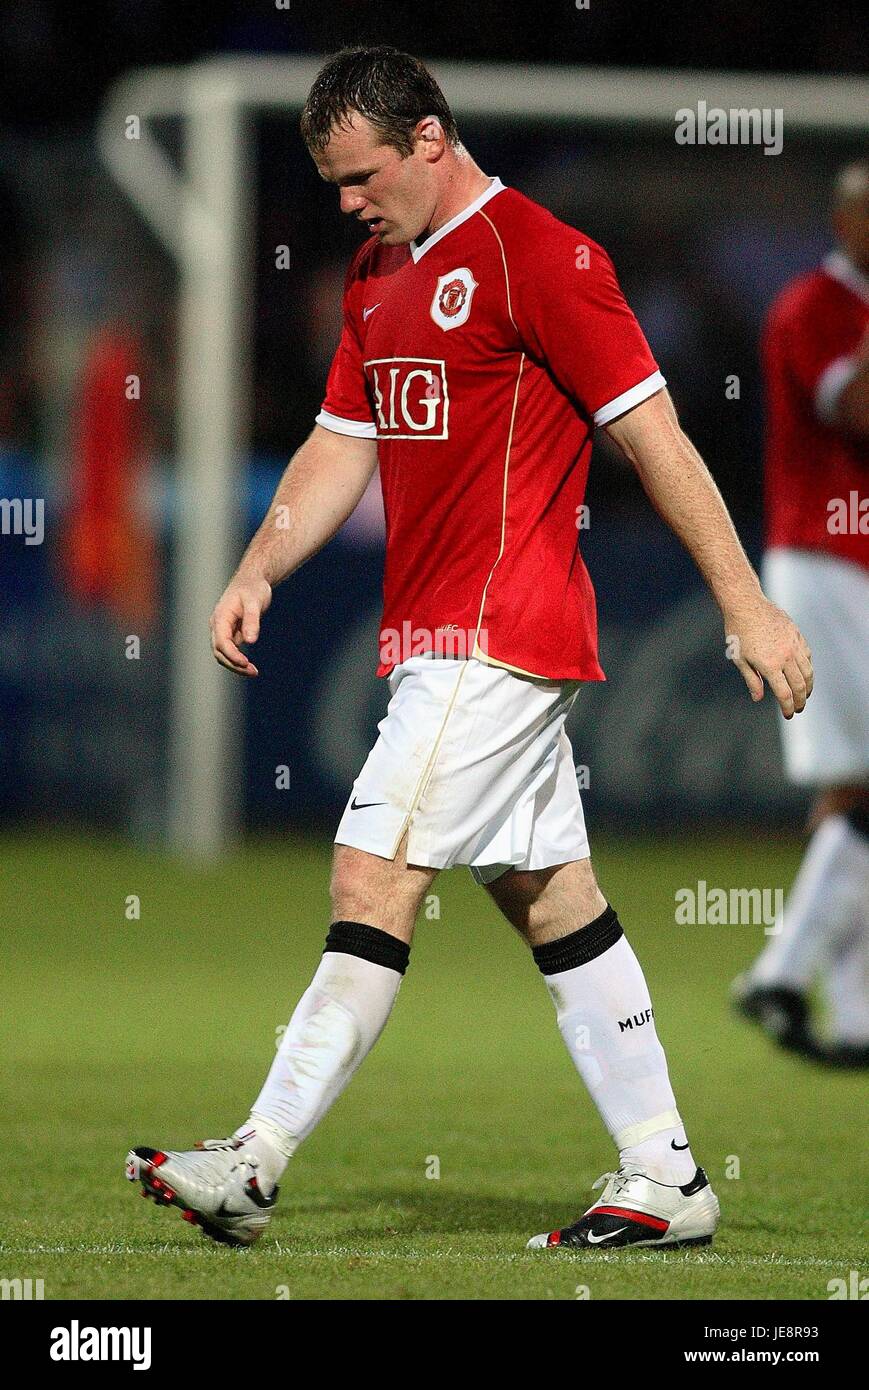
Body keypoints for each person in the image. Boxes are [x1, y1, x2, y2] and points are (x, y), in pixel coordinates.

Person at [126, 46, 812, 1249]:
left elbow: (656, 438)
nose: (345, 204)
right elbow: (341, 444)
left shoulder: (544, 258)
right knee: (554, 898)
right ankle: (664, 1177)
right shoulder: (379, 273)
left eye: (360, 176)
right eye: (333, 186)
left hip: (494, 633)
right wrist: (256, 564)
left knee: (369, 877)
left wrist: (742, 601)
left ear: (430, 140)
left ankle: (255, 1157)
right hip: (432, 639)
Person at [733, 162, 869, 1066]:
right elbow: (857, 408)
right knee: (859, 787)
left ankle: (856, 1014)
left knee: (851, 790)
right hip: (823, 562)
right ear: (845, 219)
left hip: (852, 563)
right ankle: (780, 970)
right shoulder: (812, 305)